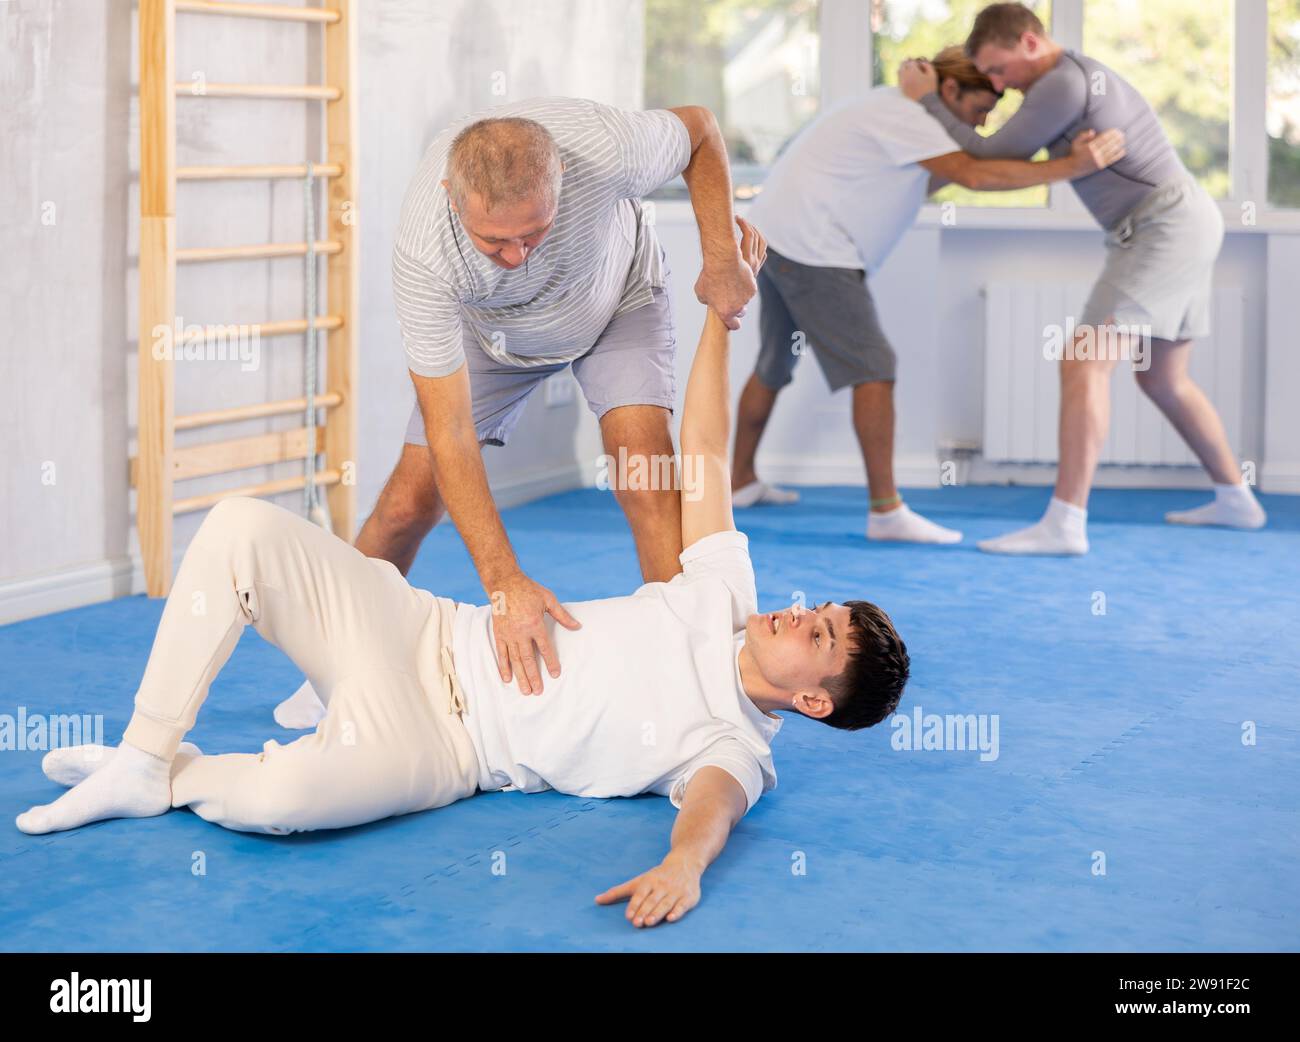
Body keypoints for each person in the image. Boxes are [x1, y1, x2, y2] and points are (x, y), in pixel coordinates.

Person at [16, 220, 910, 930]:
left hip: (445, 747)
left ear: (816, 702)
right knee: (238, 527)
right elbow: (705, 457)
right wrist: (720, 316)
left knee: (278, 804)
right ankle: (141, 753)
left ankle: (172, 779)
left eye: (819, 635)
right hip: (422, 628)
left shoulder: (736, 747)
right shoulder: (725, 592)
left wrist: (682, 865)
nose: (799, 616)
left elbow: (708, 815)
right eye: (817, 609)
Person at [275, 96, 756, 730]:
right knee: (406, 505)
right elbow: (451, 433)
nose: (517, 255)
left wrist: (720, 255)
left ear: (563, 179)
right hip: (492, 335)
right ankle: (333, 668)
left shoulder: (608, 148)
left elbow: (698, 129)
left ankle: (687, 682)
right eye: (494, 240)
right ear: (452, 197)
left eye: (534, 232)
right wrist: (506, 583)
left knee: (643, 473)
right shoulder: (424, 253)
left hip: (617, 302)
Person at [900, 3, 1267, 555]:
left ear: (1029, 42)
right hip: (1183, 219)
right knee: (1163, 378)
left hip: (1163, 226)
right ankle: (1237, 498)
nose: (1000, 84)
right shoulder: (1067, 80)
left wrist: (926, 98)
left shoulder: (1063, 82)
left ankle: (1065, 523)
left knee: (1081, 357)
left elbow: (989, 153)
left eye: (1000, 69)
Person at [738, 48, 1126, 545]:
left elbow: (960, 169)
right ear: (948, 92)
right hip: (814, 246)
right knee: (874, 369)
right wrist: (1072, 165)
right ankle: (886, 513)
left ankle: (739, 482)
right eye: (978, 111)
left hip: (777, 236)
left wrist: (1043, 149)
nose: (982, 126)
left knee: (774, 363)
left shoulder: (900, 113)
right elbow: (974, 174)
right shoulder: (909, 115)